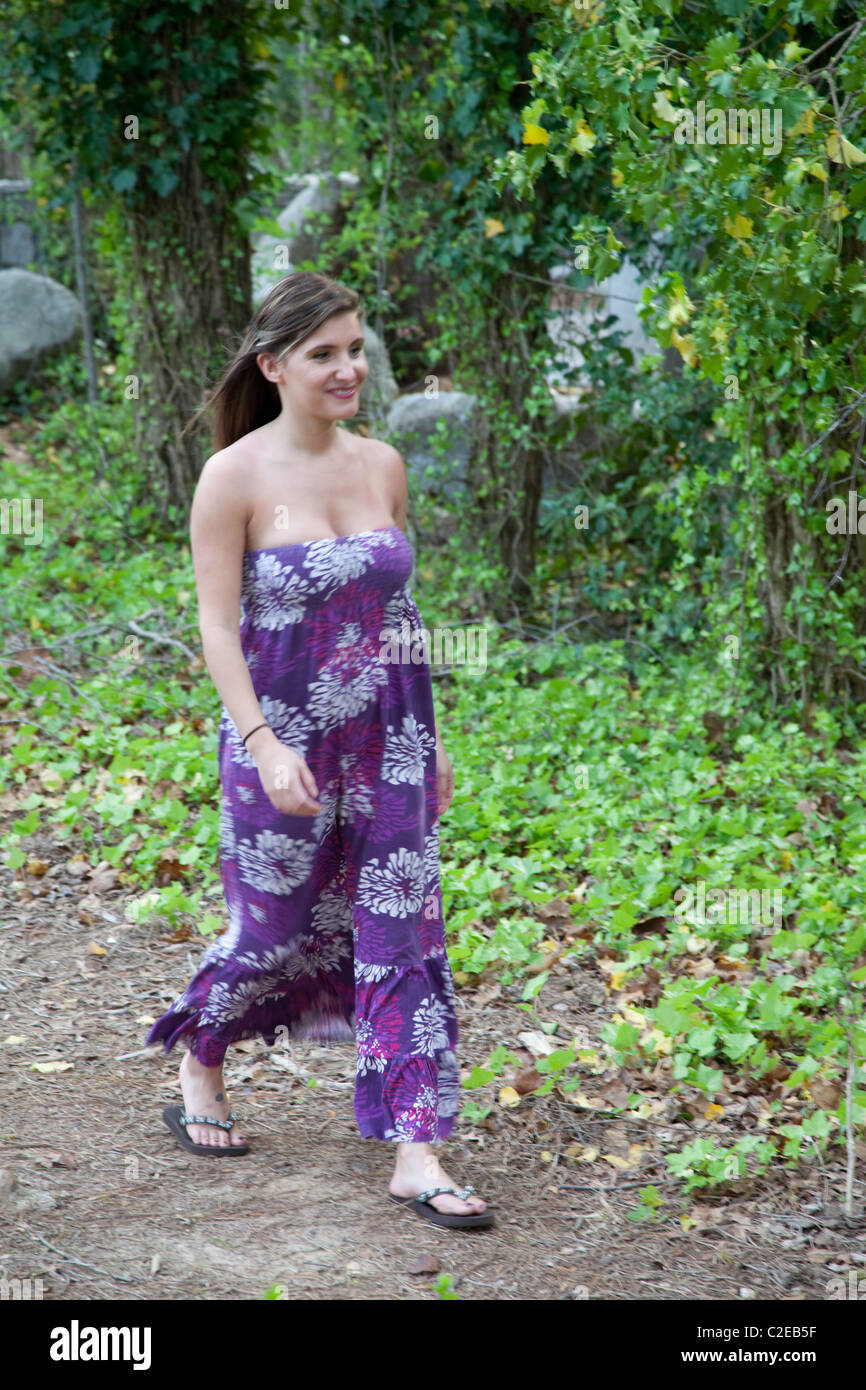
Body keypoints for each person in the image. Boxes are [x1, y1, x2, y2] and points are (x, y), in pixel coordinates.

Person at [145, 271, 492, 1230]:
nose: (349, 368)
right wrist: (260, 742)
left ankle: (417, 1147)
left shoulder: (381, 464)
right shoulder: (235, 477)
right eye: (324, 353)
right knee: (271, 928)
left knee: (404, 924)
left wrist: (436, 740)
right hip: (282, 735)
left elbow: (400, 610)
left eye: (356, 348)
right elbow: (219, 629)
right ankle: (202, 1058)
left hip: (392, 733)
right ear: (274, 366)